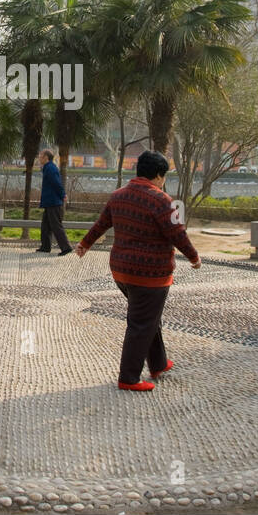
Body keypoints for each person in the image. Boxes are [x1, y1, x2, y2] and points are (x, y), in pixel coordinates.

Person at [75, 150, 201, 391]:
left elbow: (101, 224)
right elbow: (178, 235)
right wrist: (194, 257)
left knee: (148, 317)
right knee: (141, 323)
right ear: (158, 175)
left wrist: (85, 244)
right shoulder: (162, 200)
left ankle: (159, 363)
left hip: (121, 271)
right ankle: (129, 377)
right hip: (150, 275)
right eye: (163, 176)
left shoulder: (118, 196)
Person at [36, 148, 71, 255]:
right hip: (49, 201)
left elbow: (57, 183)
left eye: (40, 156)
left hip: (53, 202)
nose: (39, 158)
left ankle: (66, 248)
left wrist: (63, 195)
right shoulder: (47, 167)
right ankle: (45, 247)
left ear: (46, 157)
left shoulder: (51, 168)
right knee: (45, 226)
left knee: (56, 226)